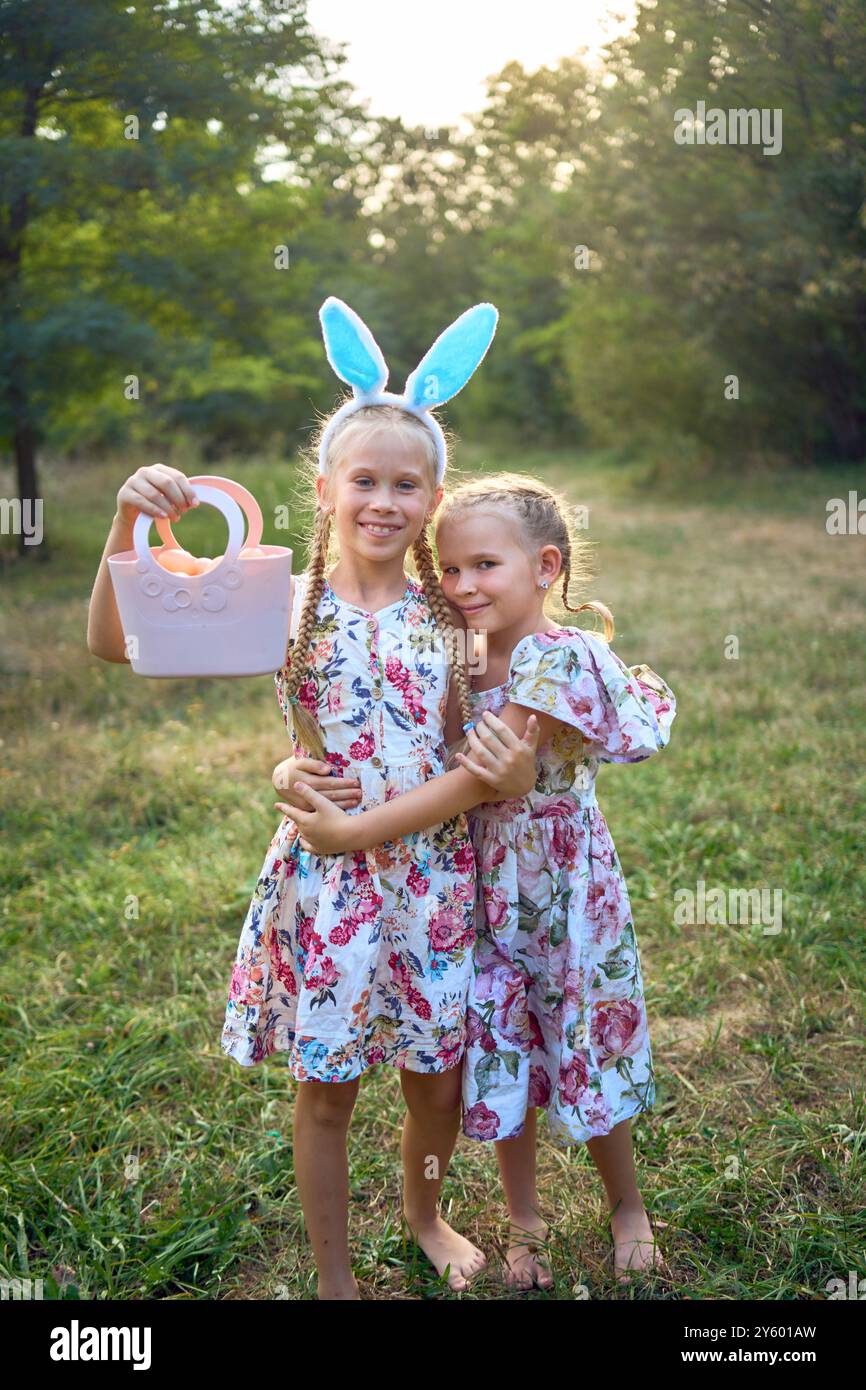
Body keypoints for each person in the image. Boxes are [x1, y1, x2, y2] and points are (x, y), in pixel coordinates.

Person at [218, 299, 541, 1300]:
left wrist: (515, 765)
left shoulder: (454, 614)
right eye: (363, 480)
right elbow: (120, 643)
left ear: (433, 495)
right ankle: (333, 1274)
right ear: (323, 488)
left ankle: (424, 1213)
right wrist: (125, 525)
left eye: (407, 484)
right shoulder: (286, 606)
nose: (384, 500)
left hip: (433, 881)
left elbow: (484, 759)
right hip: (327, 885)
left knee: (433, 1081)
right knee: (327, 1088)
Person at [287, 472, 677, 1291]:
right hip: (472, 892)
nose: (463, 586)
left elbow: (474, 776)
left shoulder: (557, 656)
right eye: (452, 568)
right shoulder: (458, 650)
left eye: (484, 568)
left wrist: (352, 831)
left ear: (545, 566)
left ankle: (627, 1205)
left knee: (582, 1040)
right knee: (502, 1049)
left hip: (562, 898)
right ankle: (523, 1222)